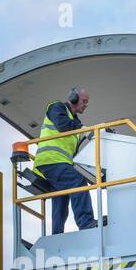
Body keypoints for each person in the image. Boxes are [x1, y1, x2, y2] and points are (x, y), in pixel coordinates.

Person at [33, 87, 99, 234]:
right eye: (84, 101)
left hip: (58, 163)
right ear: (73, 98)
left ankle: (57, 235)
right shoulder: (57, 107)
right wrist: (83, 129)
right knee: (78, 181)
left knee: (61, 199)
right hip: (51, 161)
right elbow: (63, 125)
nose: (86, 105)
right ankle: (86, 223)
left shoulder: (75, 121)